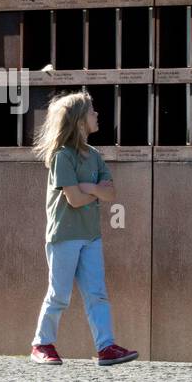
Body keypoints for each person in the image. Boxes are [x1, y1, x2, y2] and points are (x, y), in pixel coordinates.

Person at [28, 91, 138, 367]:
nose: (97, 115)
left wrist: (86, 187)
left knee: (97, 294)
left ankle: (106, 347)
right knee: (59, 294)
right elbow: (74, 200)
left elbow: (110, 193)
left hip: (90, 237)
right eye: (92, 112)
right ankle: (41, 344)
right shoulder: (62, 157)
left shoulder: (95, 156)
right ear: (79, 121)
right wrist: (94, 190)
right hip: (64, 236)